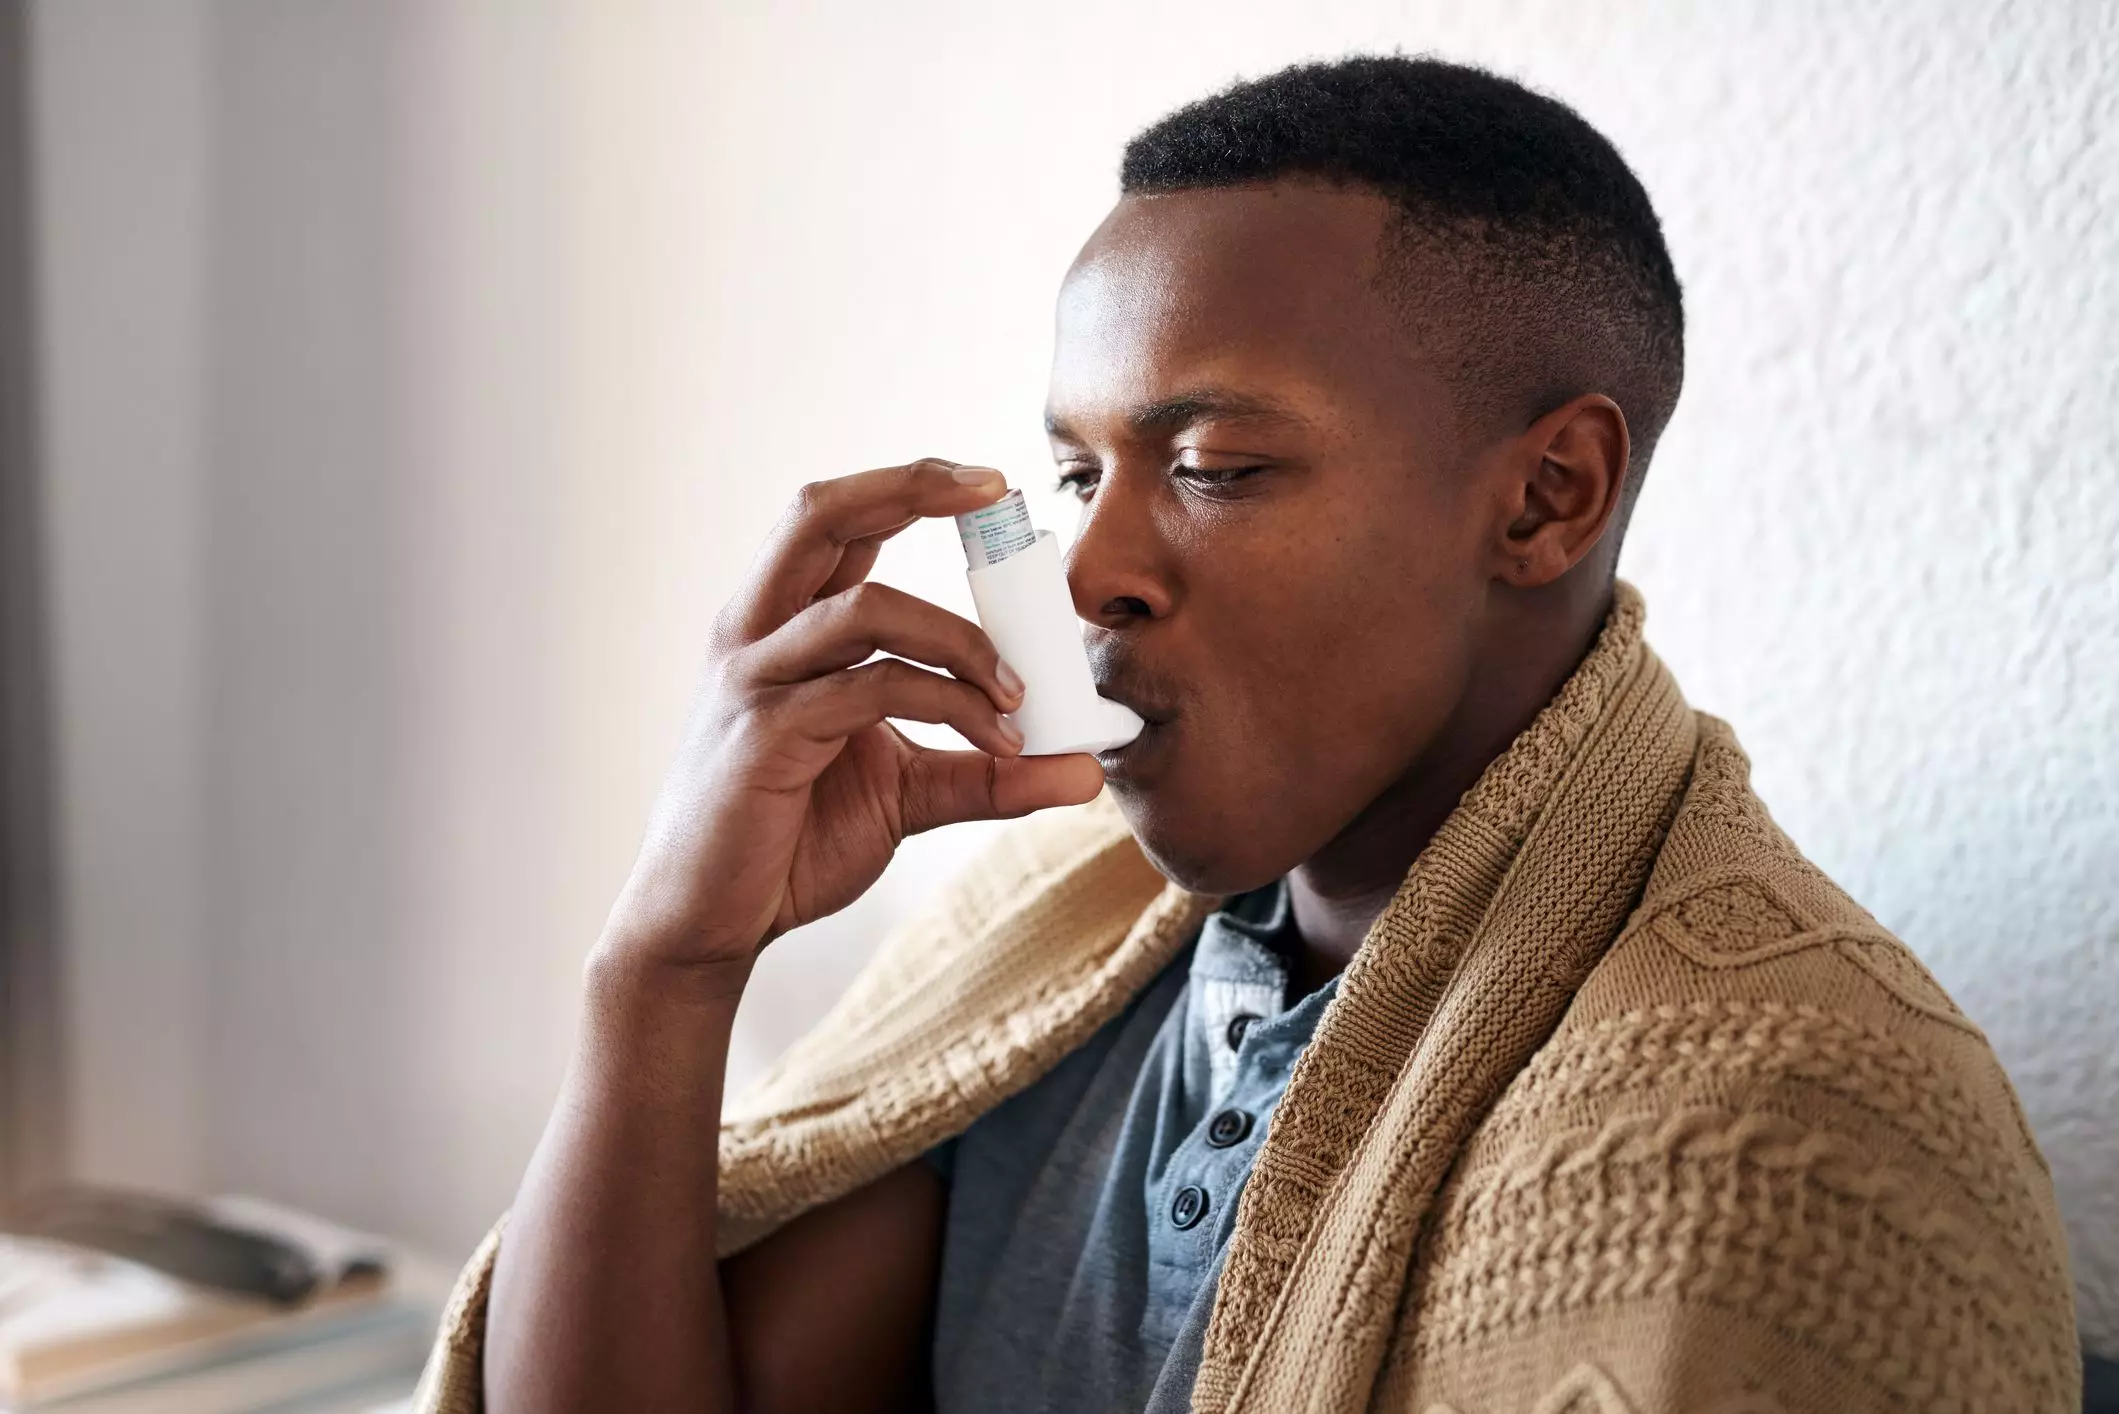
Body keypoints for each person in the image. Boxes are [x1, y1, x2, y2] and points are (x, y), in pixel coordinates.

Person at [417, 56, 2079, 1414]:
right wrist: (665, 971)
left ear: (1545, 496)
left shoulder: (1773, 1135)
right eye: (1076, 472)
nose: (1087, 569)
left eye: (1209, 464)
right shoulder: (1055, 961)